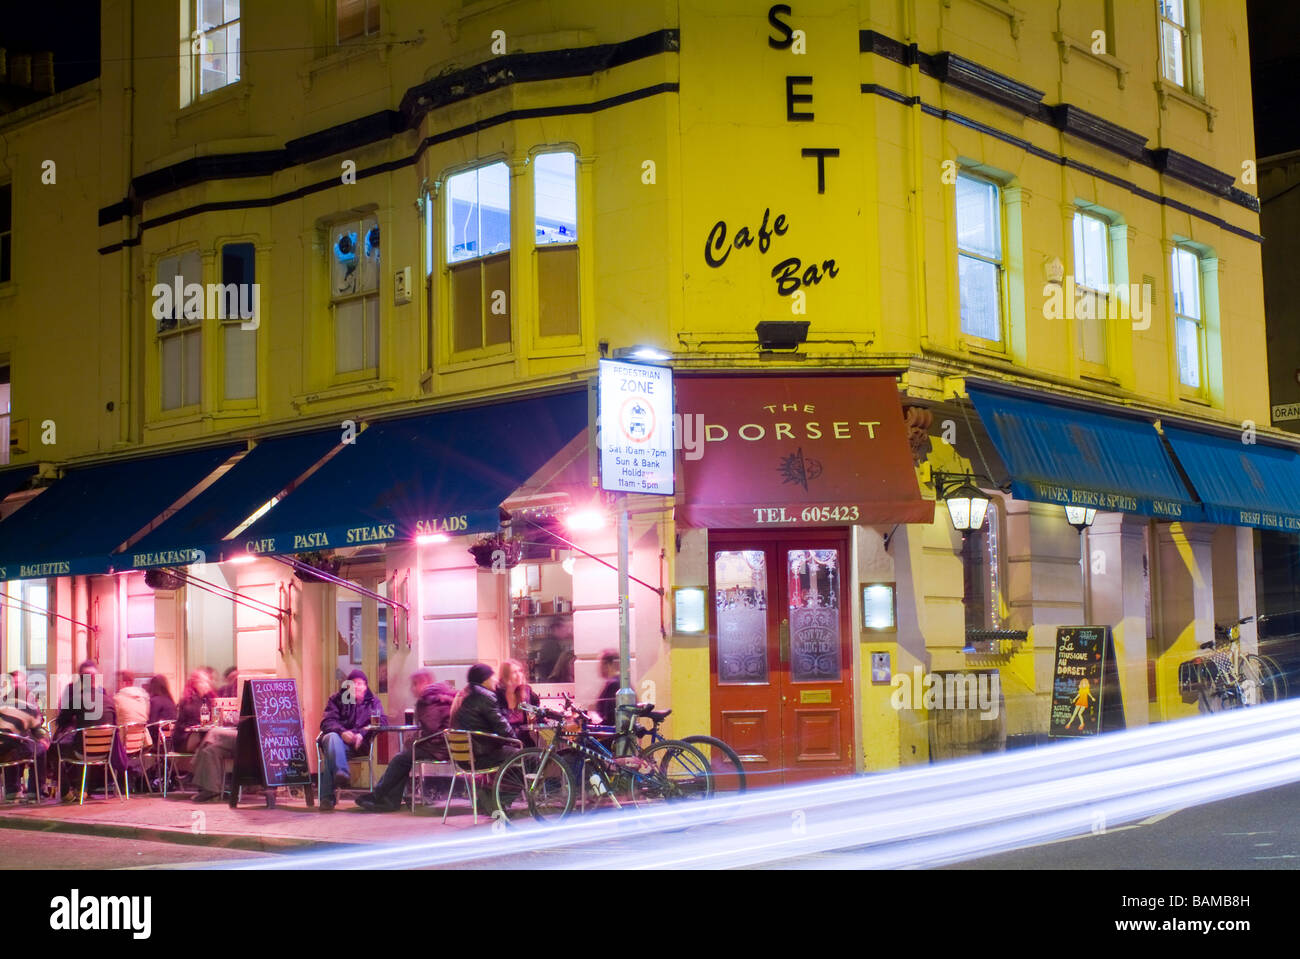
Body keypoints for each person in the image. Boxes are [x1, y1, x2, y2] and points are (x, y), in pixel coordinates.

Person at [356, 671, 455, 812]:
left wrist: (414, 741)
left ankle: (379, 795)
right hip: (448, 745)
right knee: (404, 757)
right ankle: (389, 800)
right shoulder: (440, 697)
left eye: (414, 684)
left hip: (438, 747)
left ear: (423, 683)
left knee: (400, 759)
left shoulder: (428, 701)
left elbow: (431, 730)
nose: (412, 689)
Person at [448, 663, 523, 813]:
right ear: (484, 679)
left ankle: (488, 798)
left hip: (465, 756)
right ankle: (497, 800)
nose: (495, 680)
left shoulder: (465, 694)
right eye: (492, 676)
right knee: (527, 757)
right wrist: (519, 743)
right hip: (482, 755)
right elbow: (503, 728)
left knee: (516, 754)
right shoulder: (486, 696)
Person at [49, 661, 122, 800]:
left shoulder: (76, 697)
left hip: (83, 746)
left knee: (54, 749)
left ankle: (66, 792)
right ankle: (82, 789)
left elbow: (61, 720)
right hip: (106, 751)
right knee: (83, 743)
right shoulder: (109, 699)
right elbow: (114, 723)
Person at [318, 669, 386, 812]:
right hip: (338, 741)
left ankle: (328, 797)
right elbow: (327, 722)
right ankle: (341, 772)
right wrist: (342, 732)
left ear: (366, 686)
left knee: (332, 756)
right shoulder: (337, 699)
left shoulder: (373, 702)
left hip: (358, 745)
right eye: (352, 684)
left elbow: (382, 722)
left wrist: (361, 734)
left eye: (359, 684)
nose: (356, 687)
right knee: (332, 738)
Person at [0, 683, 48, 796]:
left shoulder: (2, 706)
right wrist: (45, 741)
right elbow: (37, 731)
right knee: (40, 749)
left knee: (12, 743)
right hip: (10, 751)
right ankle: (34, 791)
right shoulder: (29, 709)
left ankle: (12, 791)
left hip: (3, 750)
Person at [496, 659, 540, 747]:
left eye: (520, 671)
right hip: (505, 742)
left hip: (524, 741)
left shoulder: (526, 691)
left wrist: (538, 716)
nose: (519, 675)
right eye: (514, 672)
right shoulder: (497, 695)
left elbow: (535, 709)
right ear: (505, 676)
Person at [175, 669, 215, 753]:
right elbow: (198, 721)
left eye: (208, 682)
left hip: (198, 737)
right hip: (186, 739)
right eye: (203, 682)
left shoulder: (206, 699)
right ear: (195, 684)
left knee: (216, 745)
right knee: (212, 747)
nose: (207, 685)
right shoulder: (189, 700)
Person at [114, 671, 153, 748]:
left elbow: (114, 720)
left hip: (122, 745)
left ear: (124, 683)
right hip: (141, 744)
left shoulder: (118, 699)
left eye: (118, 681)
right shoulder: (144, 698)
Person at [593, 649, 621, 727]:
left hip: (611, 735)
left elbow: (609, 717)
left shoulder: (614, 684)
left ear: (608, 664)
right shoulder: (619, 682)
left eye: (600, 664)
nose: (598, 668)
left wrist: (593, 720)